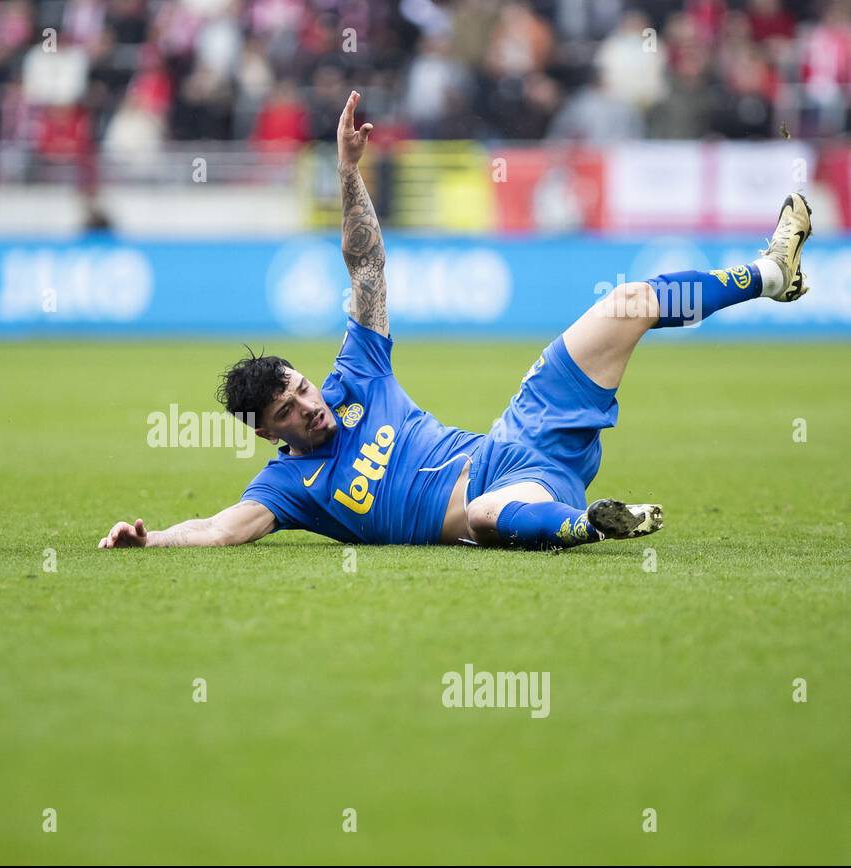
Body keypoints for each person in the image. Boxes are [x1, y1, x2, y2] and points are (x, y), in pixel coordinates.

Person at [98, 91, 811, 551]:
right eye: (288, 410)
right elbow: (219, 530)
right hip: (497, 498)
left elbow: (367, 268)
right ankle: (587, 522)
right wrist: (150, 539)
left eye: (301, 389)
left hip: (519, 436)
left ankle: (773, 272)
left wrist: (348, 175)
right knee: (485, 519)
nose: (309, 407)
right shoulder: (286, 492)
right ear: (265, 431)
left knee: (624, 306)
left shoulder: (356, 375)